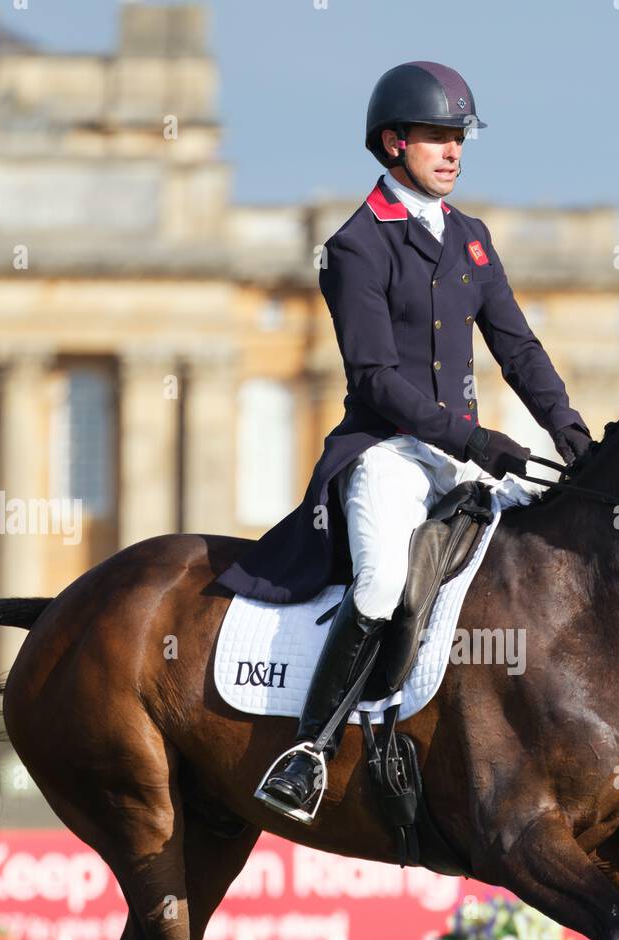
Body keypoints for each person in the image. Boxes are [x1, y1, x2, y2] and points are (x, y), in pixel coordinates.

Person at [217, 61, 591, 823]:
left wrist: (572, 435)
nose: (452, 151)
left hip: (459, 455)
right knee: (382, 587)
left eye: (459, 138)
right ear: (392, 144)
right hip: (386, 453)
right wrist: (475, 439)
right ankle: (308, 750)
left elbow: (517, 350)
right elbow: (376, 380)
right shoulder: (356, 246)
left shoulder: (471, 239)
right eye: (436, 138)